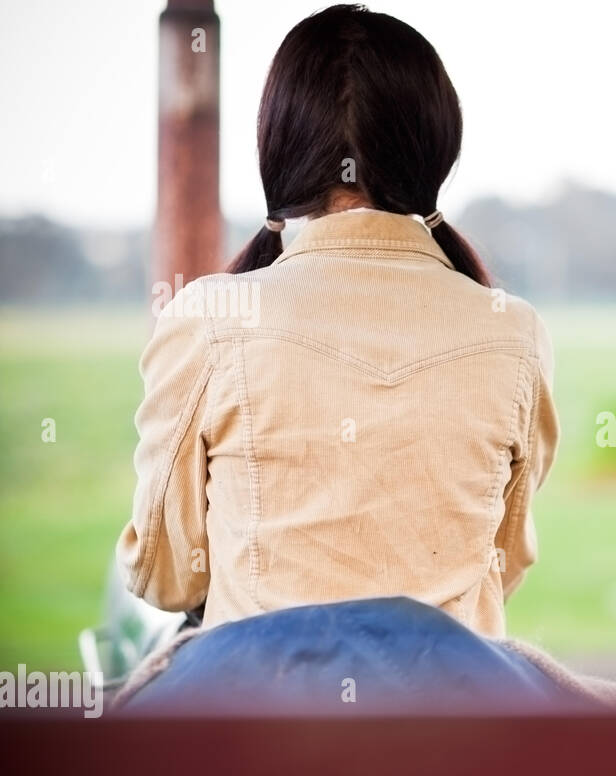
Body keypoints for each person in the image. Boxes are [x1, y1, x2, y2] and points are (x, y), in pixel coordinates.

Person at [117, 4, 558, 642]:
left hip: (263, 728)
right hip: (453, 727)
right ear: (437, 145)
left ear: (280, 145)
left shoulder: (209, 320)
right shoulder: (515, 332)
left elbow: (164, 577)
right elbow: (503, 563)